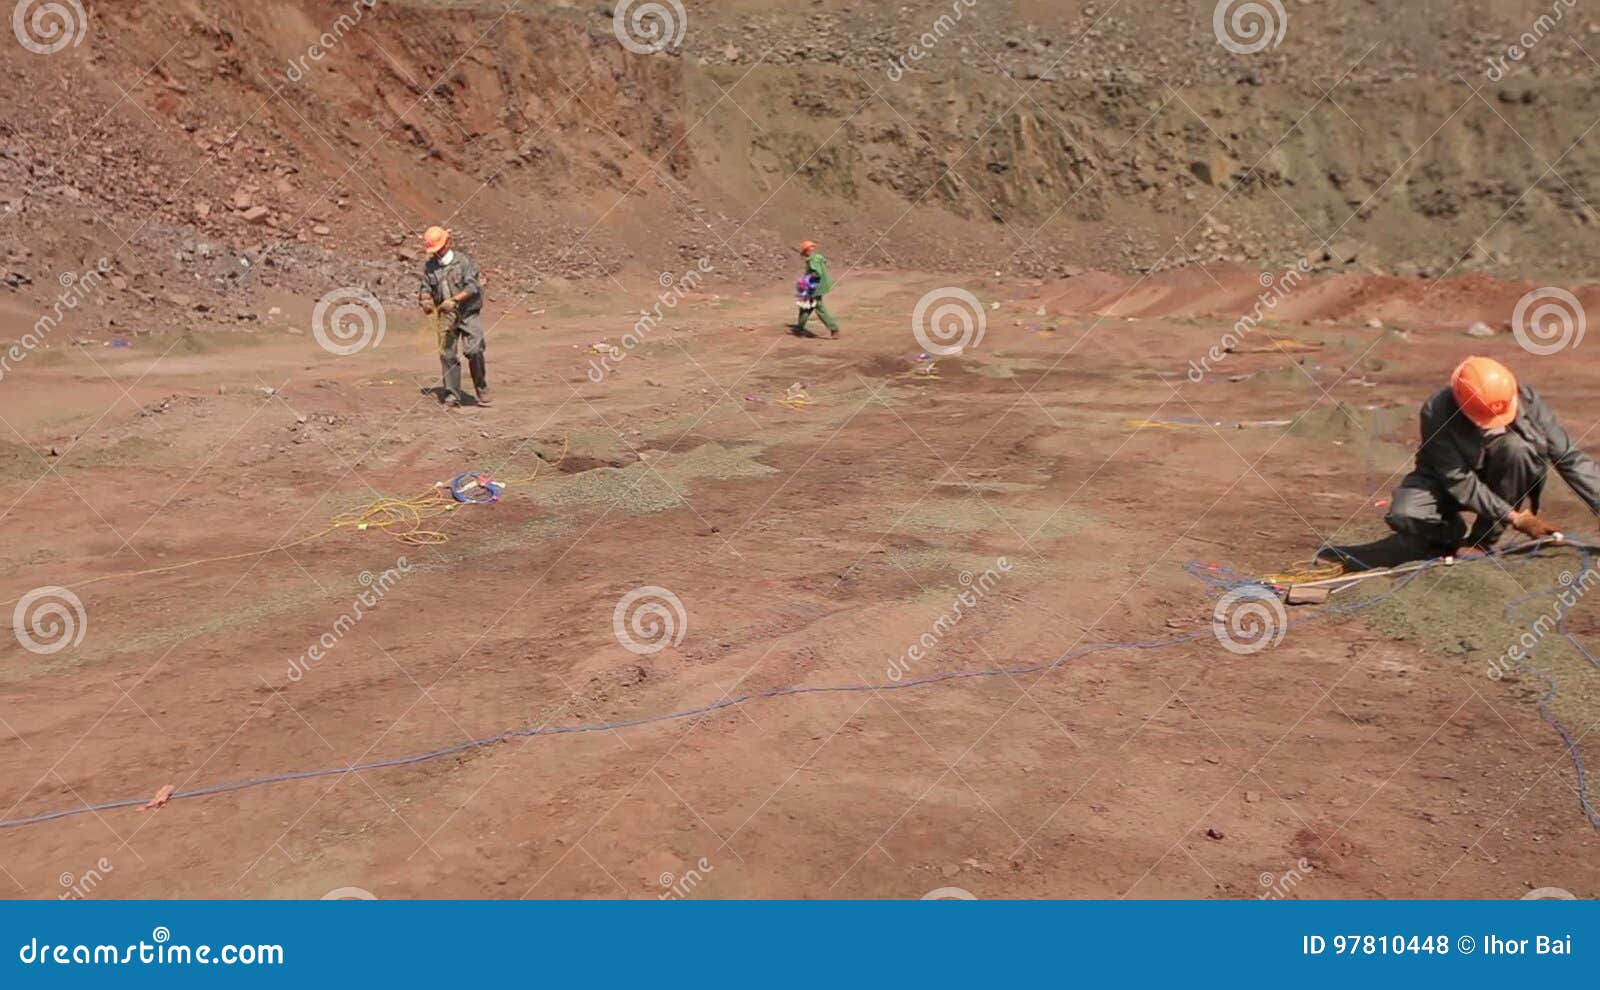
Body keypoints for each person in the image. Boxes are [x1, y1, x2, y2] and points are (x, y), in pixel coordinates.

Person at [1383, 356, 1600, 557]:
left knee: (1517, 448)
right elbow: (1459, 480)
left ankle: (1483, 541)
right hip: (1444, 481)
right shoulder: (1436, 411)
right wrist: (1515, 517)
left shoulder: (1525, 399)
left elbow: (1569, 458)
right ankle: (1449, 535)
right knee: (1404, 514)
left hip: (1503, 477)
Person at [417, 226, 489, 407]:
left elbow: (472, 287)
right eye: (434, 250)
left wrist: (455, 300)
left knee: (474, 350)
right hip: (446, 316)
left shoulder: (463, 262)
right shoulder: (430, 267)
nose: (437, 253)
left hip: (467, 313)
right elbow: (425, 288)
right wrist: (426, 301)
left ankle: (481, 386)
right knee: (447, 354)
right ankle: (452, 396)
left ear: (448, 243)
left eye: (439, 249)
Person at [792, 240, 839, 338]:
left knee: (818, 309)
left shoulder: (813, 260)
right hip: (818, 287)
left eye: (804, 253)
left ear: (807, 251)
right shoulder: (818, 258)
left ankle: (834, 329)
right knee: (806, 307)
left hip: (814, 288)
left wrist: (805, 280)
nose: (804, 255)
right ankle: (799, 328)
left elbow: (817, 273)